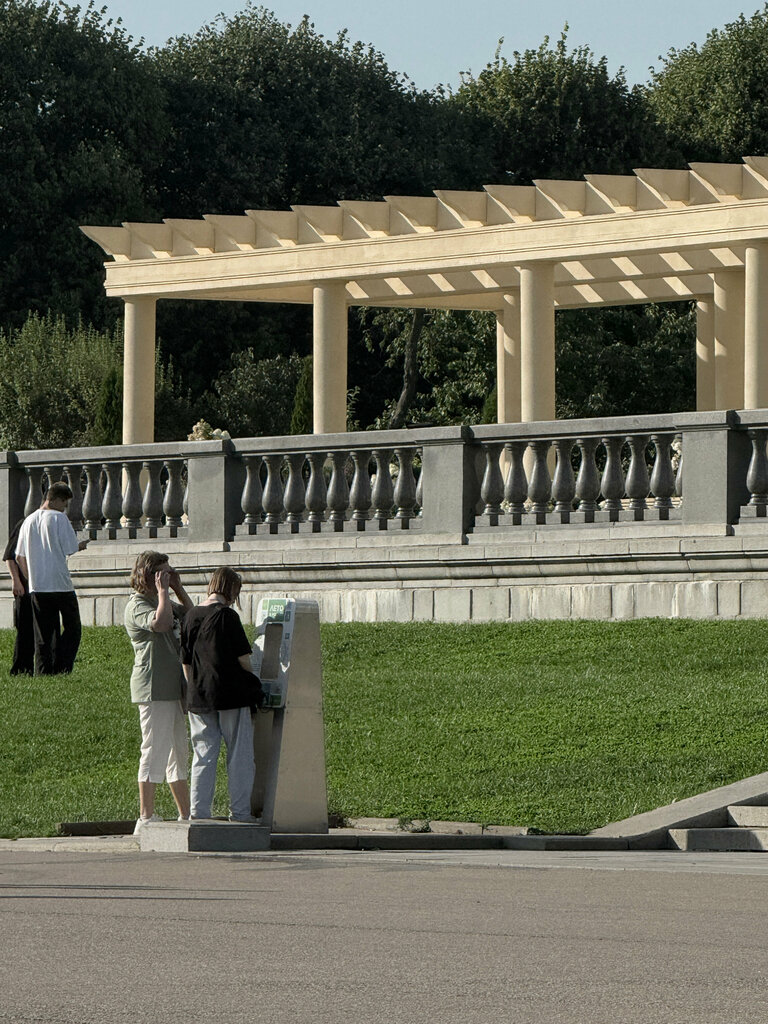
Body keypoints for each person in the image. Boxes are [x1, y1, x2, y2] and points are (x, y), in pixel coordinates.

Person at [180, 566, 263, 823]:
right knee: (239, 755)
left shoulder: (191, 615)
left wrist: (195, 688)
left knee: (203, 755)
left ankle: (198, 814)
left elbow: (186, 662)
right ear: (231, 589)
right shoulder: (228, 616)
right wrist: (254, 682)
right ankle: (240, 813)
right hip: (231, 695)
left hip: (199, 696)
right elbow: (243, 659)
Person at [124, 550, 193, 833]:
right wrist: (163, 591)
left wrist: (178, 589)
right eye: (163, 572)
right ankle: (145, 817)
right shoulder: (138, 604)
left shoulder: (162, 600)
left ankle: (186, 814)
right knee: (154, 749)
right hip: (153, 686)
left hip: (174, 686)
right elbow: (161, 624)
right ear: (149, 574)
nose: (168, 576)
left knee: (179, 750)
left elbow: (191, 616)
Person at [15, 482, 88, 675]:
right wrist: (80, 546)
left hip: (38, 586)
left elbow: (19, 556)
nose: (64, 507)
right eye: (64, 503)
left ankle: (43, 671)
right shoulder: (59, 518)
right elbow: (69, 548)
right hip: (60, 583)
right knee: (73, 628)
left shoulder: (28, 521)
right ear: (54, 500)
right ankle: (62, 666)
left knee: (43, 634)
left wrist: (30, 578)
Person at [4, 517, 34, 675]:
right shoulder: (24, 524)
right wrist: (16, 581)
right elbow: (10, 556)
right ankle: (20, 668)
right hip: (24, 586)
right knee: (25, 628)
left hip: (40, 586)